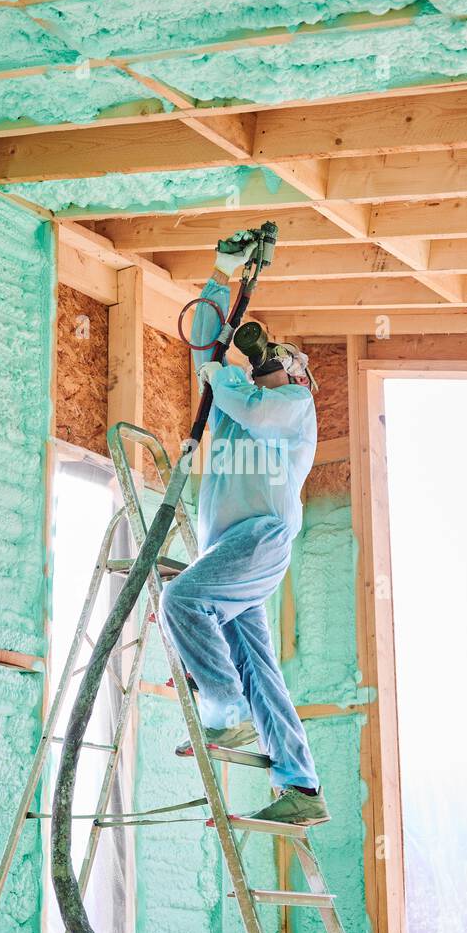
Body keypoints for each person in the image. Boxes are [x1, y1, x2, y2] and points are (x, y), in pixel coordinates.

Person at [158, 236, 329, 826]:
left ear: (302, 379)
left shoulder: (293, 411)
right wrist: (220, 275)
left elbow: (254, 405)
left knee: (180, 598)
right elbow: (205, 337)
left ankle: (223, 709)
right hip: (229, 550)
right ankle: (302, 786)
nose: (278, 362)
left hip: (261, 539)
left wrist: (223, 374)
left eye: (288, 361)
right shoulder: (237, 401)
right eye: (274, 357)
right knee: (258, 665)